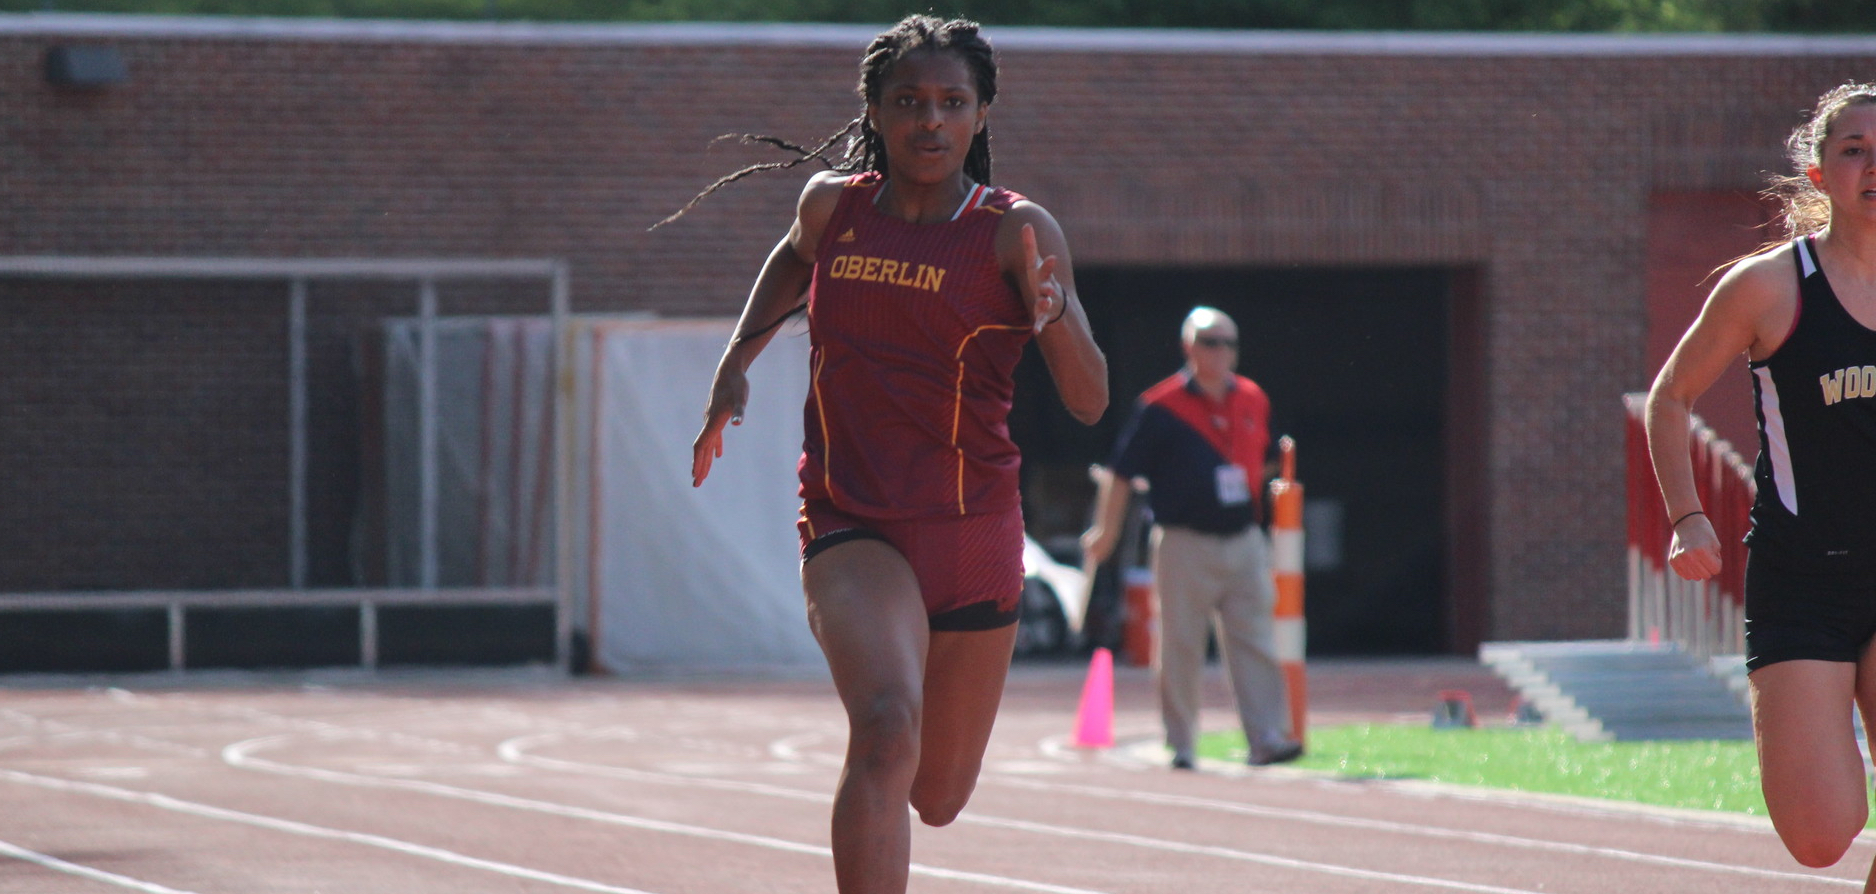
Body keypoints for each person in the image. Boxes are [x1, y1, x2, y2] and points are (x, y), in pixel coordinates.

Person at [679, 16, 1108, 894]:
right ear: (875, 109)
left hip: (973, 530)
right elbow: (794, 259)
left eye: (953, 103)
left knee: (940, 793)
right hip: (852, 518)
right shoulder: (834, 206)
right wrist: (734, 363)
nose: (930, 121)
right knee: (883, 728)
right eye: (909, 101)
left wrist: (1052, 312)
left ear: (982, 115)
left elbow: (1090, 399)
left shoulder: (1012, 233)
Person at [1646, 81, 1876, 885]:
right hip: (1803, 580)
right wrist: (1687, 518)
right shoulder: (1769, 286)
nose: (1873, 167)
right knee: (1821, 836)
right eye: (1855, 151)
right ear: (1819, 174)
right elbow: (1670, 400)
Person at [1081, 306, 1302, 770]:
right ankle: (1182, 742)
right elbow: (1120, 475)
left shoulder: (1252, 398)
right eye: (1209, 342)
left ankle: (1265, 735)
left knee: (1257, 640)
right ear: (1189, 347)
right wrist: (1107, 529)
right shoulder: (1160, 407)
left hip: (1243, 540)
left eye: (1227, 343)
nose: (1220, 352)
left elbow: (1265, 456)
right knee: (1180, 645)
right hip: (1183, 543)